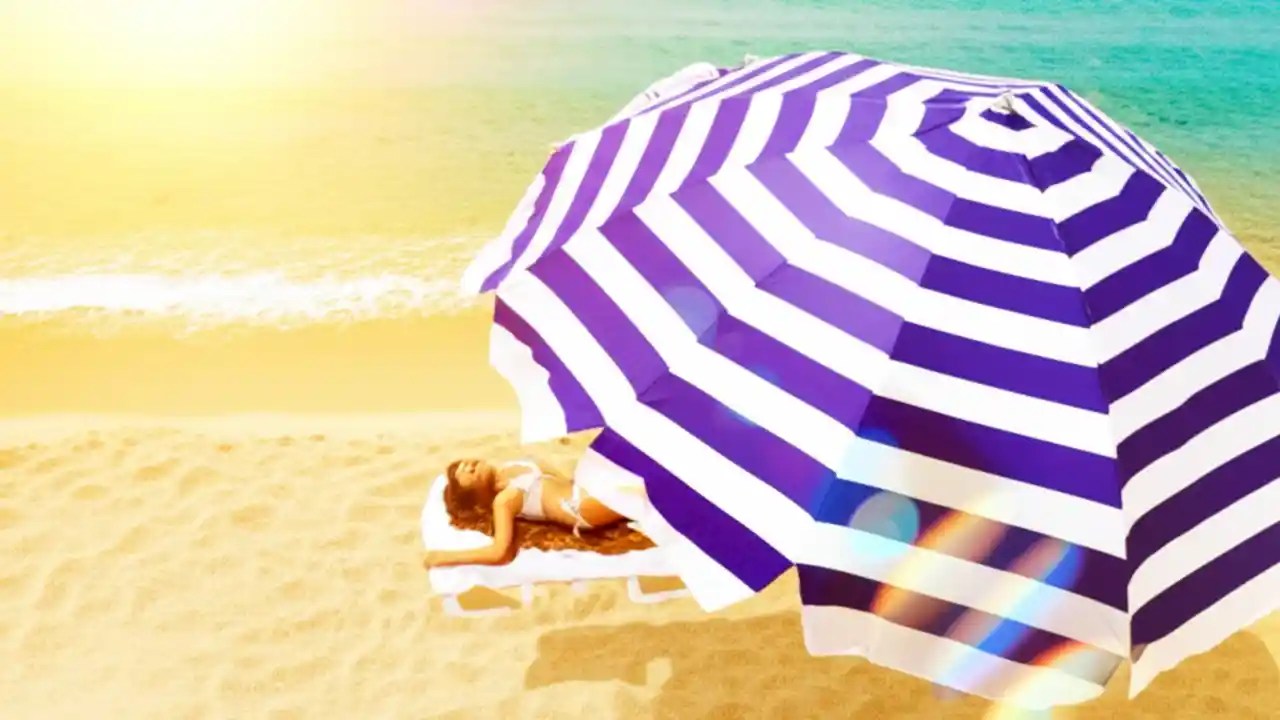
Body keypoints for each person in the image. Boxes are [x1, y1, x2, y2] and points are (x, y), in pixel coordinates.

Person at [422, 456, 632, 569]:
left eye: (464, 463)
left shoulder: (512, 465)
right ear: (476, 494)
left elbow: (563, 480)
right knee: (650, 489)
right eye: (466, 473)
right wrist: (445, 557)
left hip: (586, 487)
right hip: (581, 506)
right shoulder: (504, 500)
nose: (468, 466)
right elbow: (499, 553)